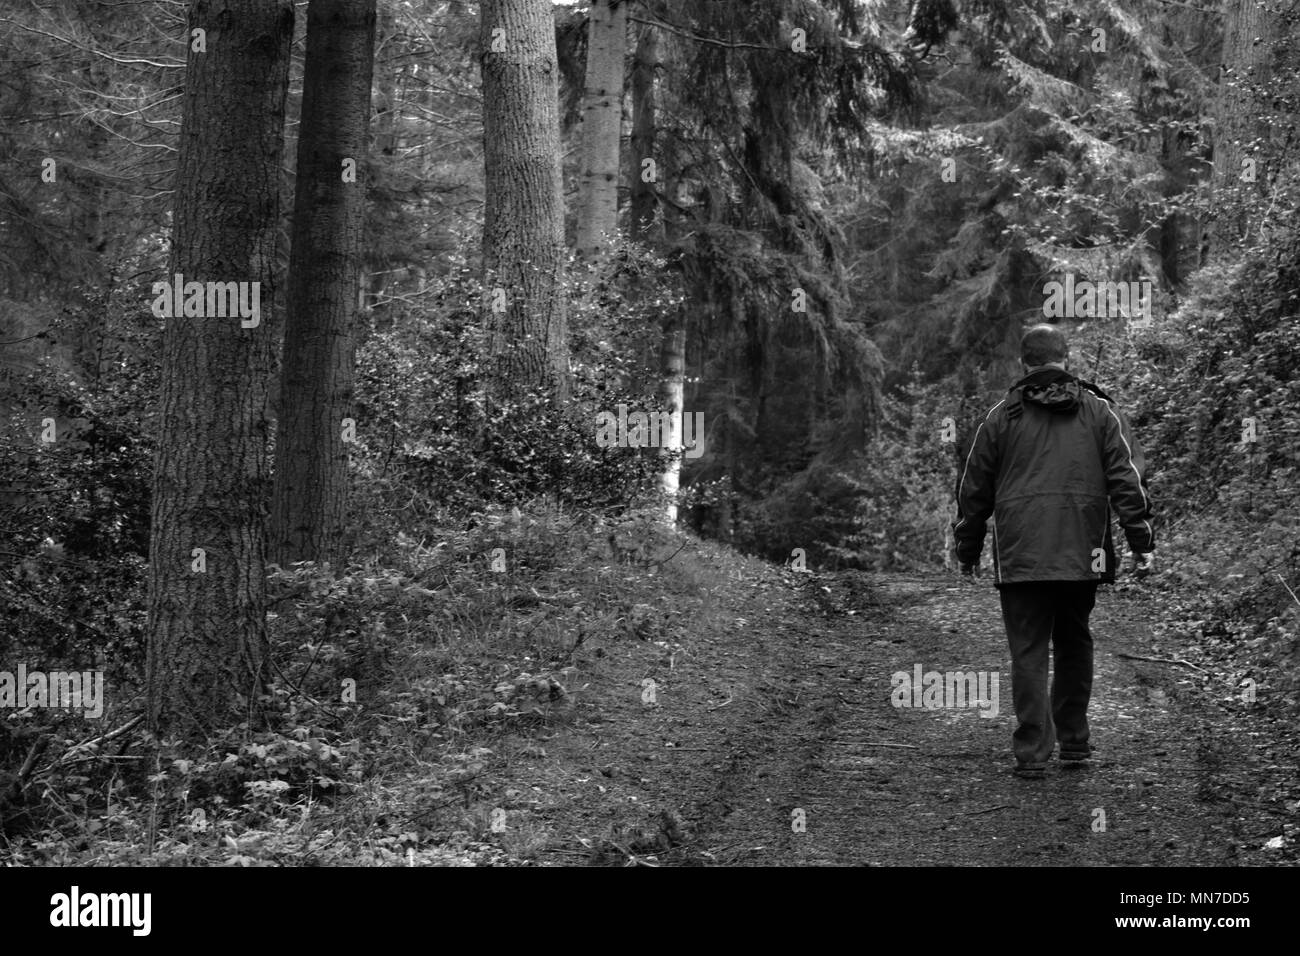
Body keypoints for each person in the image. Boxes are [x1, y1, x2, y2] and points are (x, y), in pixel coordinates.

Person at [952, 324, 1155, 779]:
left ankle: (1031, 751)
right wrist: (1141, 541)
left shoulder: (1001, 416)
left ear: (1024, 363)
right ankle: (1075, 743)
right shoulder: (1101, 411)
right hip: (1082, 552)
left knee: (1028, 650)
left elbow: (973, 491)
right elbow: (1127, 479)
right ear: (1066, 358)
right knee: (1074, 641)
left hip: (1021, 553)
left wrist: (967, 548)